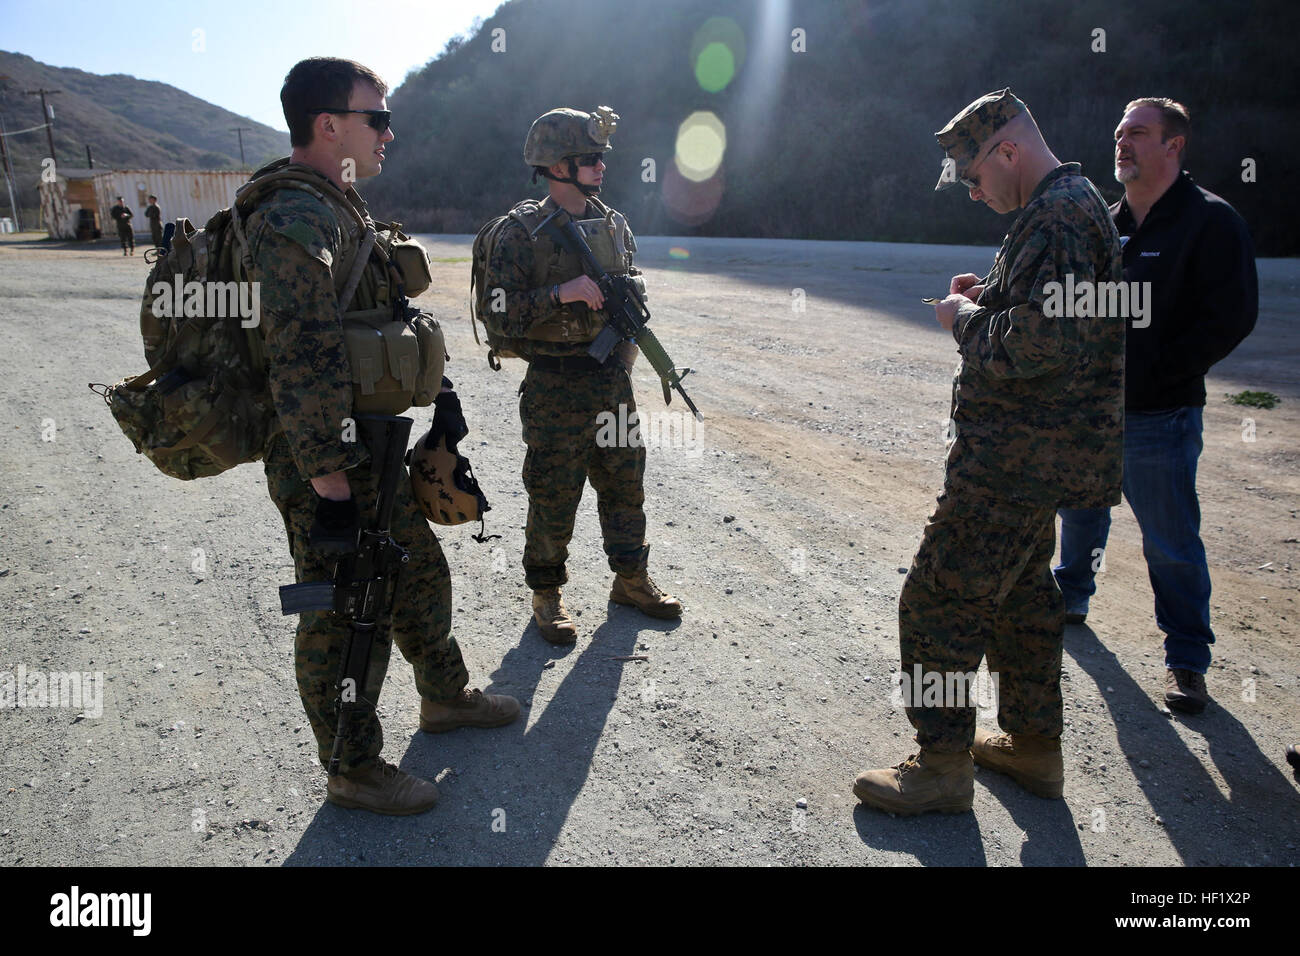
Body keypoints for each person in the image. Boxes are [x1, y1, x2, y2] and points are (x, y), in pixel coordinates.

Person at [247, 57, 518, 816]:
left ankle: (444, 696)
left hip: (372, 447)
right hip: (325, 457)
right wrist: (330, 481)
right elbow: (300, 355)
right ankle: (352, 766)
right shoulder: (293, 219)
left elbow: (380, 322)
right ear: (328, 124)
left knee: (417, 572)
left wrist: (441, 399)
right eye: (378, 118)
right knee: (339, 608)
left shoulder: (341, 208)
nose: (390, 132)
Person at [853, 89, 1124, 814]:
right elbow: (1051, 314)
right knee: (1023, 603)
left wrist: (966, 318)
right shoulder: (1060, 206)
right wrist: (994, 295)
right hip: (1033, 457)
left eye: (973, 178)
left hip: (1013, 463)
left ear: (1009, 149)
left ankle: (941, 765)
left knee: (937, 600)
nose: (972, 194)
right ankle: (1034, 747)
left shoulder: (1061, 213)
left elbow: (1044, 341)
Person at [1054, 98, 1258, 716]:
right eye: (1119, 133)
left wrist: (1163, 370)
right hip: (1092, 409)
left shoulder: (1211, 221)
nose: (1123, 143)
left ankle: (1188, 661)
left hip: (1159, 416)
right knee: (1081, 513)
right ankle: (1071, 596)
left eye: (1137, 133)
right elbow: (1077, 301)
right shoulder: (1104, 223)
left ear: (1174, 145)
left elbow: (1231, 316)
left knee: (1170, 542)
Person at [483, 106, 682, 644]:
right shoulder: (520, 233)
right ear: (555, 166)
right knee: (553, 492)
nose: (600, 167)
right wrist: (558, 293)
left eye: (600, 158)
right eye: (588, 159)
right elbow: (496, 310)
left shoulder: (613, 224)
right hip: (554, 384)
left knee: (625, 484)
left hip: (610, 378)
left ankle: (631, 580)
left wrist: (626, 355)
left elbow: (631, 293)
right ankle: (547, 596)